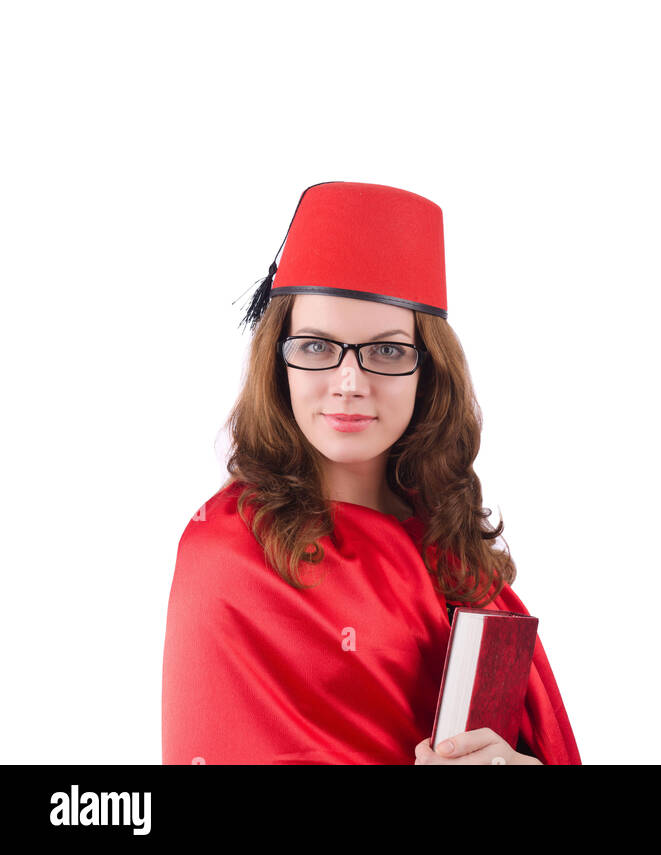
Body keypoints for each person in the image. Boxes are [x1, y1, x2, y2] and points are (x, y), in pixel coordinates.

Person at [162, 182, 580, 765]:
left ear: (426, 370)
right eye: (314, 346)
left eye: (385, 351)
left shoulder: (455, 549)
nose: (350, 383)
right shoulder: (228, 554)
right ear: (278, 360)